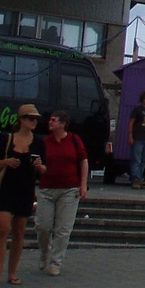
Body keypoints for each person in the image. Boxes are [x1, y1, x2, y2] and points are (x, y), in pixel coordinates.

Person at [0, 104, 46, 287]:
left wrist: (39, 165)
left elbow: (44, 169)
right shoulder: (7, 139)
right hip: (7, 189)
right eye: (30, 118)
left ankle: (12, 273)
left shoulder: (38, 142)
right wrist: (6, 161)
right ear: (21, 120)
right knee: (3, 228)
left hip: (25, 190)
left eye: (36, 119)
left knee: (19, 232)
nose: (34, 122)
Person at [36, 110, 89, 275]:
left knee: (63, 228)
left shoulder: (74, 140)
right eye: (50, 120)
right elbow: (39, 163)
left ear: (63, 123)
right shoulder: (45, 142)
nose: (50, 122)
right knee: (42, 226)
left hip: (69, 190)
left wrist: (83, 184)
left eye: (53, 120)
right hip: (46, 189)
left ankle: (56, 262)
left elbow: (83, 161)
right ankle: (45, 250)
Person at [128, 89, 145, 188]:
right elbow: (131, 122)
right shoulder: (137, 110)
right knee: (136, 159)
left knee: (143, 160)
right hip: (137, 138)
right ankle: (136, 179)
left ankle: (139, 178)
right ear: (142, 100)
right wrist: (130, 135)